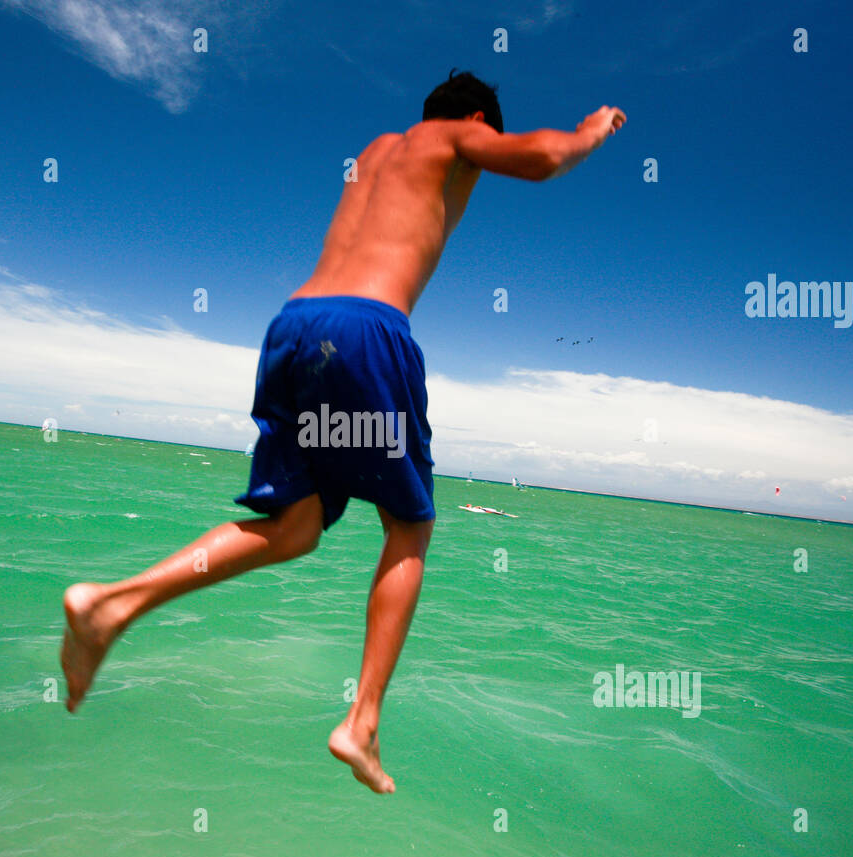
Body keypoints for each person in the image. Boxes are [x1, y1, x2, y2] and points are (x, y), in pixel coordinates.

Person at [62, 69, 626, 793]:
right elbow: (543, 158)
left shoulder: (375, 150)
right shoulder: (456, 134)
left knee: (295, 528)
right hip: (365, 326)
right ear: (479, 117)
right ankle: (361, 721)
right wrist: (590, 131)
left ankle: (112, 603)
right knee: (409, 526)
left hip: (292, 328)